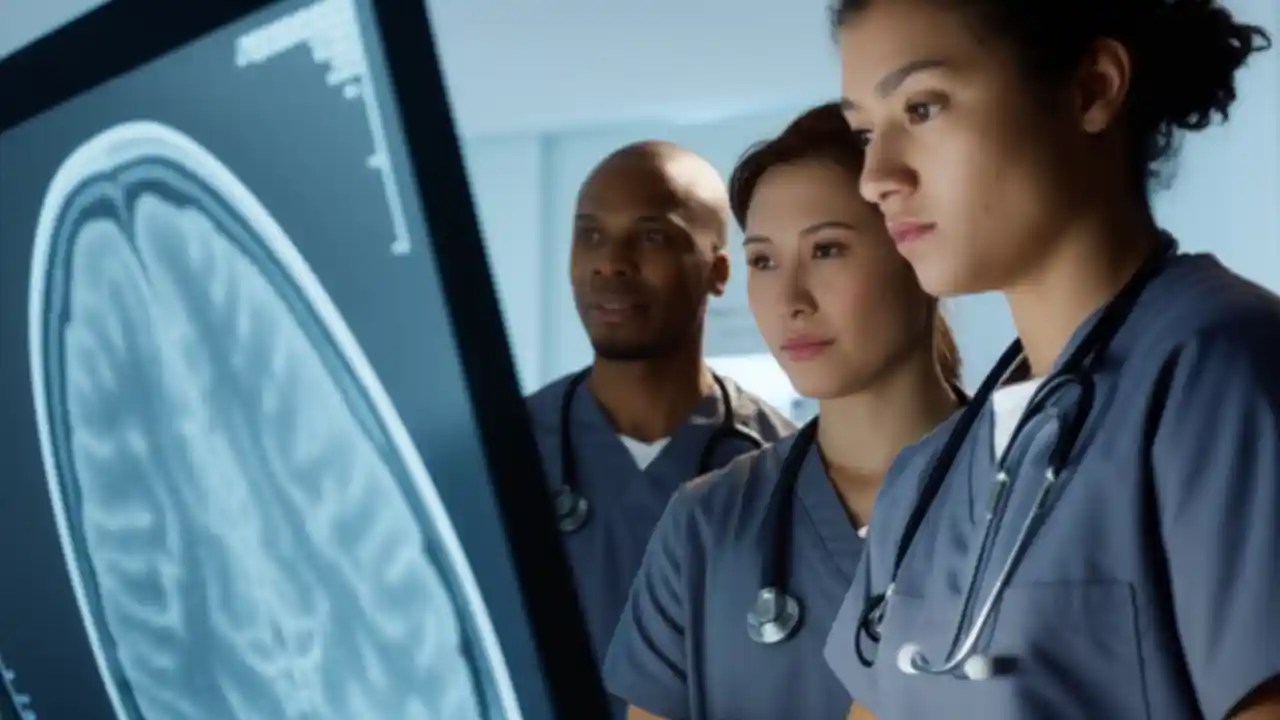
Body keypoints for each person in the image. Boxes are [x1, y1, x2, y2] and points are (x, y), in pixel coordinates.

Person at [821, 1, 1280, 718]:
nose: (875, 175)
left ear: (1091, 90)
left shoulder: (1222, 368)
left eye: (923, 107)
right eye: (863, 132)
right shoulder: (928, 478)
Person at [602, 104, 964, 720]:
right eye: (764, 261)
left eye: (827, 250)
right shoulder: (708, 525)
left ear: (920, 249)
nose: (789, 300)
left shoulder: (1032, 492)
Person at [525, 141, 795, 715]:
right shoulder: (500, 455)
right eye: (590, 235)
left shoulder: (786, 466)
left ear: (719, 271)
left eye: (650, 236)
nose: (611, 262)